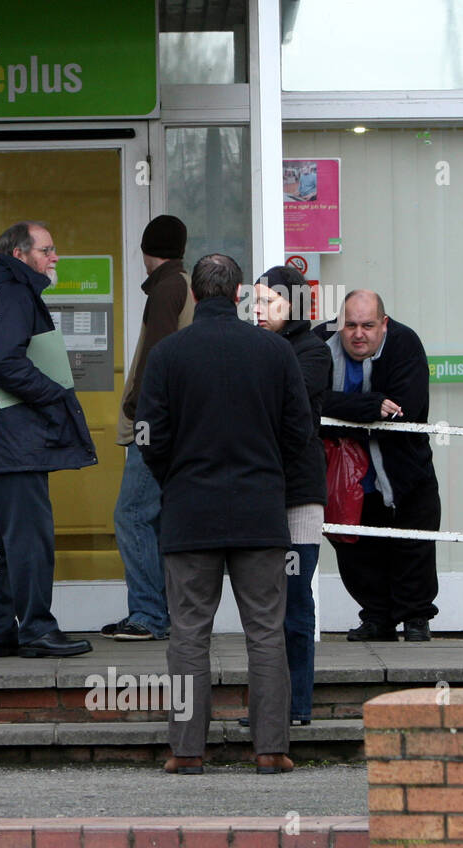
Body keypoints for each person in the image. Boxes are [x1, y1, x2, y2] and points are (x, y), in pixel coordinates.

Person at [137, 253, 311, 775]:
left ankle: (187, 751)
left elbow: (150, 435)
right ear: (238, 294)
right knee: (266, 631)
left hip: (190, 513)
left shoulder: (169, 354)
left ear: (194, 294)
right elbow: (299, 432)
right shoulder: (274, 353)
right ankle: (271, 749)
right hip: (259, 512)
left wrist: (178, 476)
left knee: (189, 632)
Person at [0, 221, 97, 658]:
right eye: (47, 250)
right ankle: (37, 628)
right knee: (29, 538)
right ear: (19, 255)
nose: (54, 257)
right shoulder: (15, 292)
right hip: (14, 441)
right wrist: (53, 394)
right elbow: (4, 362)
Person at [317, 290, 440, 642]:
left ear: (384, 324)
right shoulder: (318, 342)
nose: (359, 334)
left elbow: (406, 409)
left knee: (413, 542)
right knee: (355, 548)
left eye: (368, 325)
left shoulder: (404, 343)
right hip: (343, 474)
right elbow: (306, 405)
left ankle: (416, 617)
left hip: (404, 469)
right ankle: (376, 617)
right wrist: (370, 406)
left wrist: (339, 411)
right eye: (351, 325)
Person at [103, 215, 192, 642]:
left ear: (145, 251)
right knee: (153, 519)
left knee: (132, 515)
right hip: (177, 425)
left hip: (154, 426)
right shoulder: (185, 285)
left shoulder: (165, 289)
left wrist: (140, 414)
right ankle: (159, 613)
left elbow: (157, 357)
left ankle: (147, 614)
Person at [250, 265, 331, 725]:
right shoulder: (259, 348)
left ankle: (296, 705)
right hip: (261, 492)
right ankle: (269, 708)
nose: (259, 311)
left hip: (298, 494)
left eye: (269, 302)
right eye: (255, 301)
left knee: (294, 600)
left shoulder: (313, 351)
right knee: (264, 606)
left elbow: (283, 406)